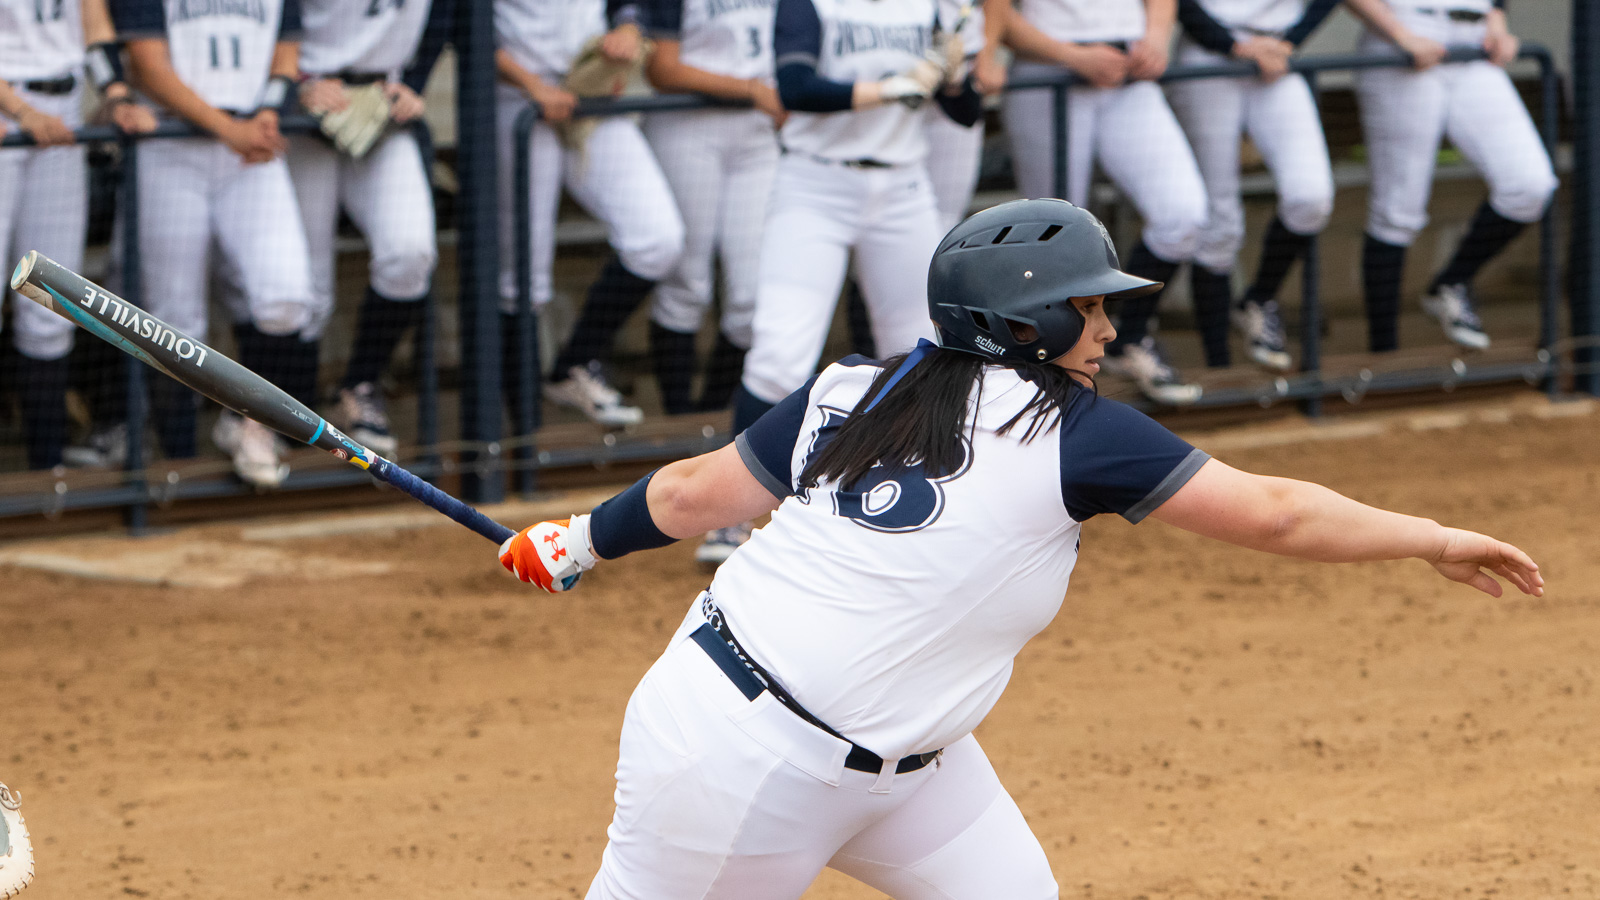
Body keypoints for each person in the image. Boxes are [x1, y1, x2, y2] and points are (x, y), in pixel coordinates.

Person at [497, 199, 1544, 899]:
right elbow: (1275, 513)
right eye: (1086, 307)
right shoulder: (1071, 433)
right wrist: (1433, 537)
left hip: (915, 768)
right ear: (1026, 324)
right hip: (736, 753)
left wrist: (576, 543)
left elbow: (685, 497)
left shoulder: (850, 386)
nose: (1107, 329)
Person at [704, 0, 980, 563]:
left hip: (903, 187)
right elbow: (796, 87)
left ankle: (919, 497)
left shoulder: (927, 7)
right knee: (780, 354)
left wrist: (953, 77)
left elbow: (968, 113)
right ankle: (728, 515)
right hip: (814, 185)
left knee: (926, 354)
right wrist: (892, 88)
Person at [110, 0, 317, 488]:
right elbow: (147, 66)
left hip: (251, 149)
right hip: (171, 147)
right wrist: (230, 130)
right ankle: (178, 459)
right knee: (175, 319)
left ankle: (248, 425)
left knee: (287, 297)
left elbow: (286, 51)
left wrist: (268, 109)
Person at [1002, 0, 1207, 405]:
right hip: (1049, 69)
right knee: (1048, 240)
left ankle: (1126, 338)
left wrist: (1156, 37)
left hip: (1128, 70)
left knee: (1184, 215)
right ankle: (1049, 366)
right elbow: (992, 14)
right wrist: (1070, 55)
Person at [495, 0, 686, 427]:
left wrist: (631, 27)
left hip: (591, 89)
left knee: (658, 239)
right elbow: (462, 30)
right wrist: (530, 83)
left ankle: (572, 367)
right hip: (517, 98)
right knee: (523, 275)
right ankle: (522, 440)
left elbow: (627, 7)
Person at [284, 0, 452, 457]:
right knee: (304, 285)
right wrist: (292, 86)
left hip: (381, 106)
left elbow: (444, 16)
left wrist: (413, 84)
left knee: (410, 251)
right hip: (305, 109)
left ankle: (359, 384)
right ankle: (290, 415)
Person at [1344, 0, 1555, 353]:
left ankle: (1451, 282)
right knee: (1398, 210)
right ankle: (1384, 354)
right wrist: (1399, 33)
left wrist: (1496, 19)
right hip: (1403, 36)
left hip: (1474, 40)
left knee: (1530, 184)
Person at [0, 0, 155, 470]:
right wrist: (24, 113)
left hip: (62, 117)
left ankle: (49, 471)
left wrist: (116, 94)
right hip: (11, 115)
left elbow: (94, 24)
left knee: (51, 303)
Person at [1166, 0, 1338, 371]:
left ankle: (1258, 299)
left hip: (1278, 54)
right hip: (1208, 54)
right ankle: (1219, 366)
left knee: (1311, 196)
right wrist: (1233, 46)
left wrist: (1291, 41)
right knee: (1218, 218)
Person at [636, 0, 786, 418]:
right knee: (686, 284)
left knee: (751, 299)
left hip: (757, 135)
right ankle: (680, 417)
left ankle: (713, 415)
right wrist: (752, 89)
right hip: (689, 125)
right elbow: (662, 70)